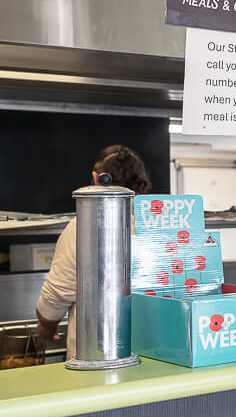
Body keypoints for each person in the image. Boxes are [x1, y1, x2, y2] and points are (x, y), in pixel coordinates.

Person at [35, 145, 152, 351]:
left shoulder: (84, 225)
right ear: (141, 179)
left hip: (97, 351)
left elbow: (57, 295)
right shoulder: (158, 220)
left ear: (96, 178)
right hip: (156, 349)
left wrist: (46, 325)